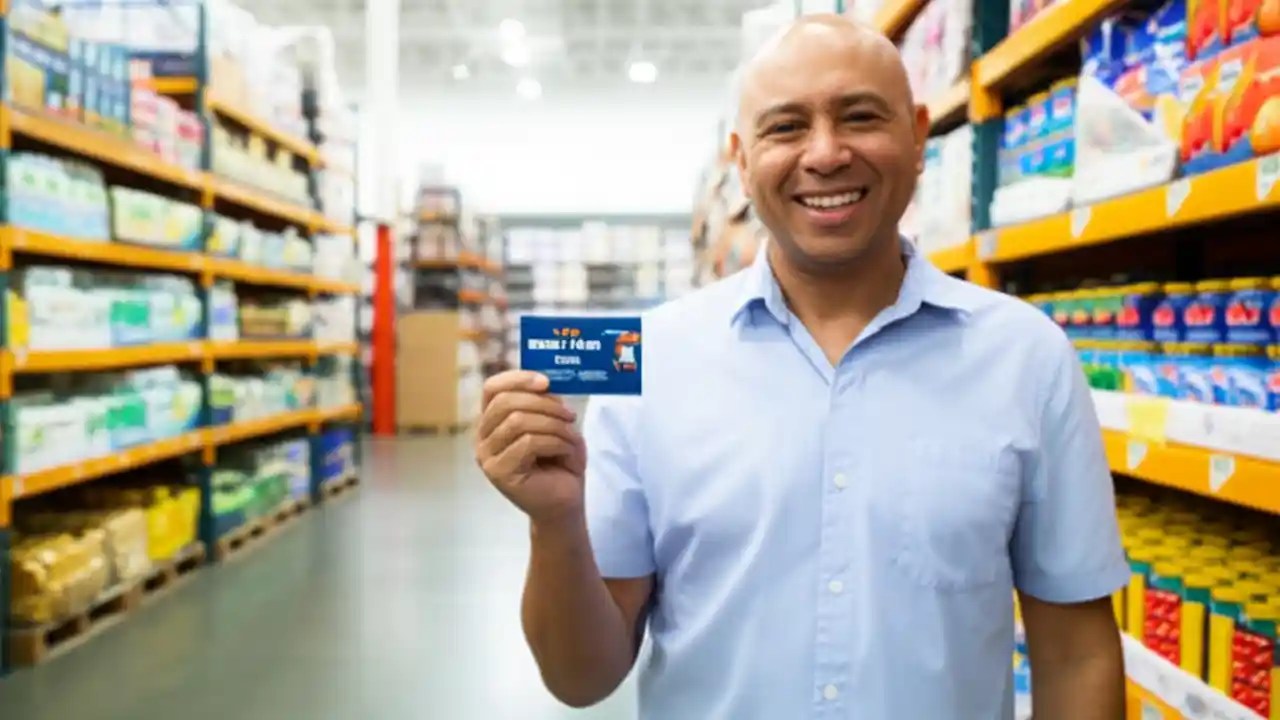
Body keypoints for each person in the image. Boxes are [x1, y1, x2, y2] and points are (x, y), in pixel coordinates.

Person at [475, 14, 1128, 720]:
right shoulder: (653, 363)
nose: (825, 154)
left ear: (917, 137)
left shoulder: (1026, 358)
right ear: (741, 158)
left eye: (860, 117)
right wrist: (555, 523)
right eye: (786, 127)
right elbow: (581, 679)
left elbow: (1077, 656)